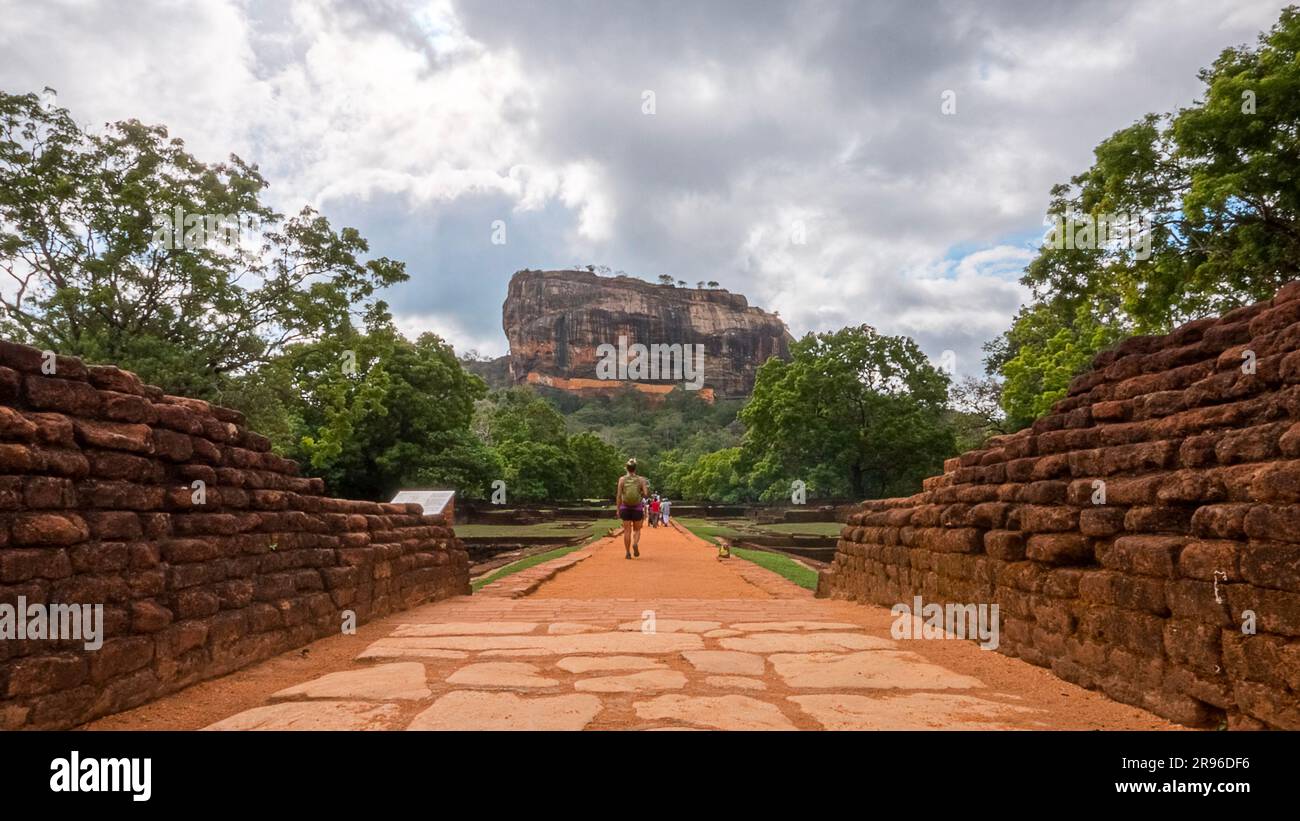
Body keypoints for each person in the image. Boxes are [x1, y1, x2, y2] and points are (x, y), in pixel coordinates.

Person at [616, 458, 649, 559]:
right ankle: (635, 543)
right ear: (635, 468)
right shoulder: (641, 480)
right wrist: (640, 494)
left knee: (627, 531)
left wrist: (618, 509)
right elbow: (646, 494)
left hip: (625, 507)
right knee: (637, 530)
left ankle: (627, 553)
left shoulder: (622, 479)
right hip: (637, 507)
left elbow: (618, 495)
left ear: (627, 468)